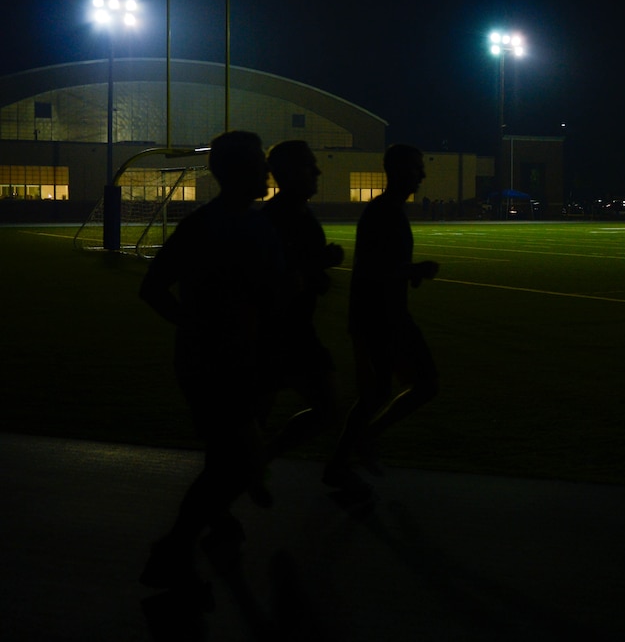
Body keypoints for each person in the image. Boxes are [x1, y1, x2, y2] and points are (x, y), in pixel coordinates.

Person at [137, 130, 286, 589]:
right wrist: (196, 328)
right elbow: (152, 287)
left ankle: (206, 528)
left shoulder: (258, 224)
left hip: (245, 361)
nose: (267, 170)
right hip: (213, 366)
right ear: (237, 171)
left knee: (227, 461)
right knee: (234, 461)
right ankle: (173, 551)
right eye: (260, 162)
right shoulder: (204, 226)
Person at [323, 144, 440, 494]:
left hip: (385, 314)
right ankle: (361, 442)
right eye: (418, 167)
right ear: (401, 170)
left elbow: (382, 268)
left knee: (380, 392)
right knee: (416, 385)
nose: (423, 174)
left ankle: (344, 457)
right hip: (380, 317)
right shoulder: (384, 213)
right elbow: (373, 271)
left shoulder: (389, 211)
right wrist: (412, 270)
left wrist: (409, 273)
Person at [259, 139, 344, 462]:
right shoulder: (276, 220)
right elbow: (278, 278)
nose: (318, 171)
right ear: (291, 172)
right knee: (250, 421)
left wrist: (318, 273)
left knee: (328, 407)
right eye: (310, 165)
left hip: (296, 331)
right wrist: (319, 264)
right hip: (274, 334)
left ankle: (259, 461)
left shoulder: (302, 215)